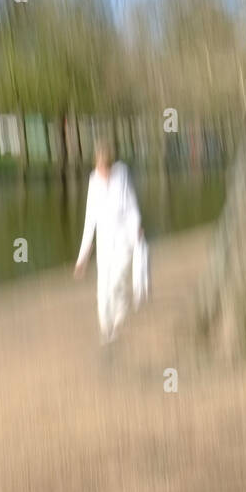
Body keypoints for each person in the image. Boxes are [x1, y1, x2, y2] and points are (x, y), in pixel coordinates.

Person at [74, 142, 145, 344]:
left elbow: (132, 205)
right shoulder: (94, 183)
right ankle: (106, 329)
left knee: (116, 282)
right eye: (99, 167)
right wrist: (82, 258)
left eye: (106, 167)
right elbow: (90, 221)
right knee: (102, 289)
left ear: (111, 165)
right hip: (104, 242)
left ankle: (122, 308)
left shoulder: (122, 177)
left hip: (124, 241)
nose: (103, 171)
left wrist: (137, 226)